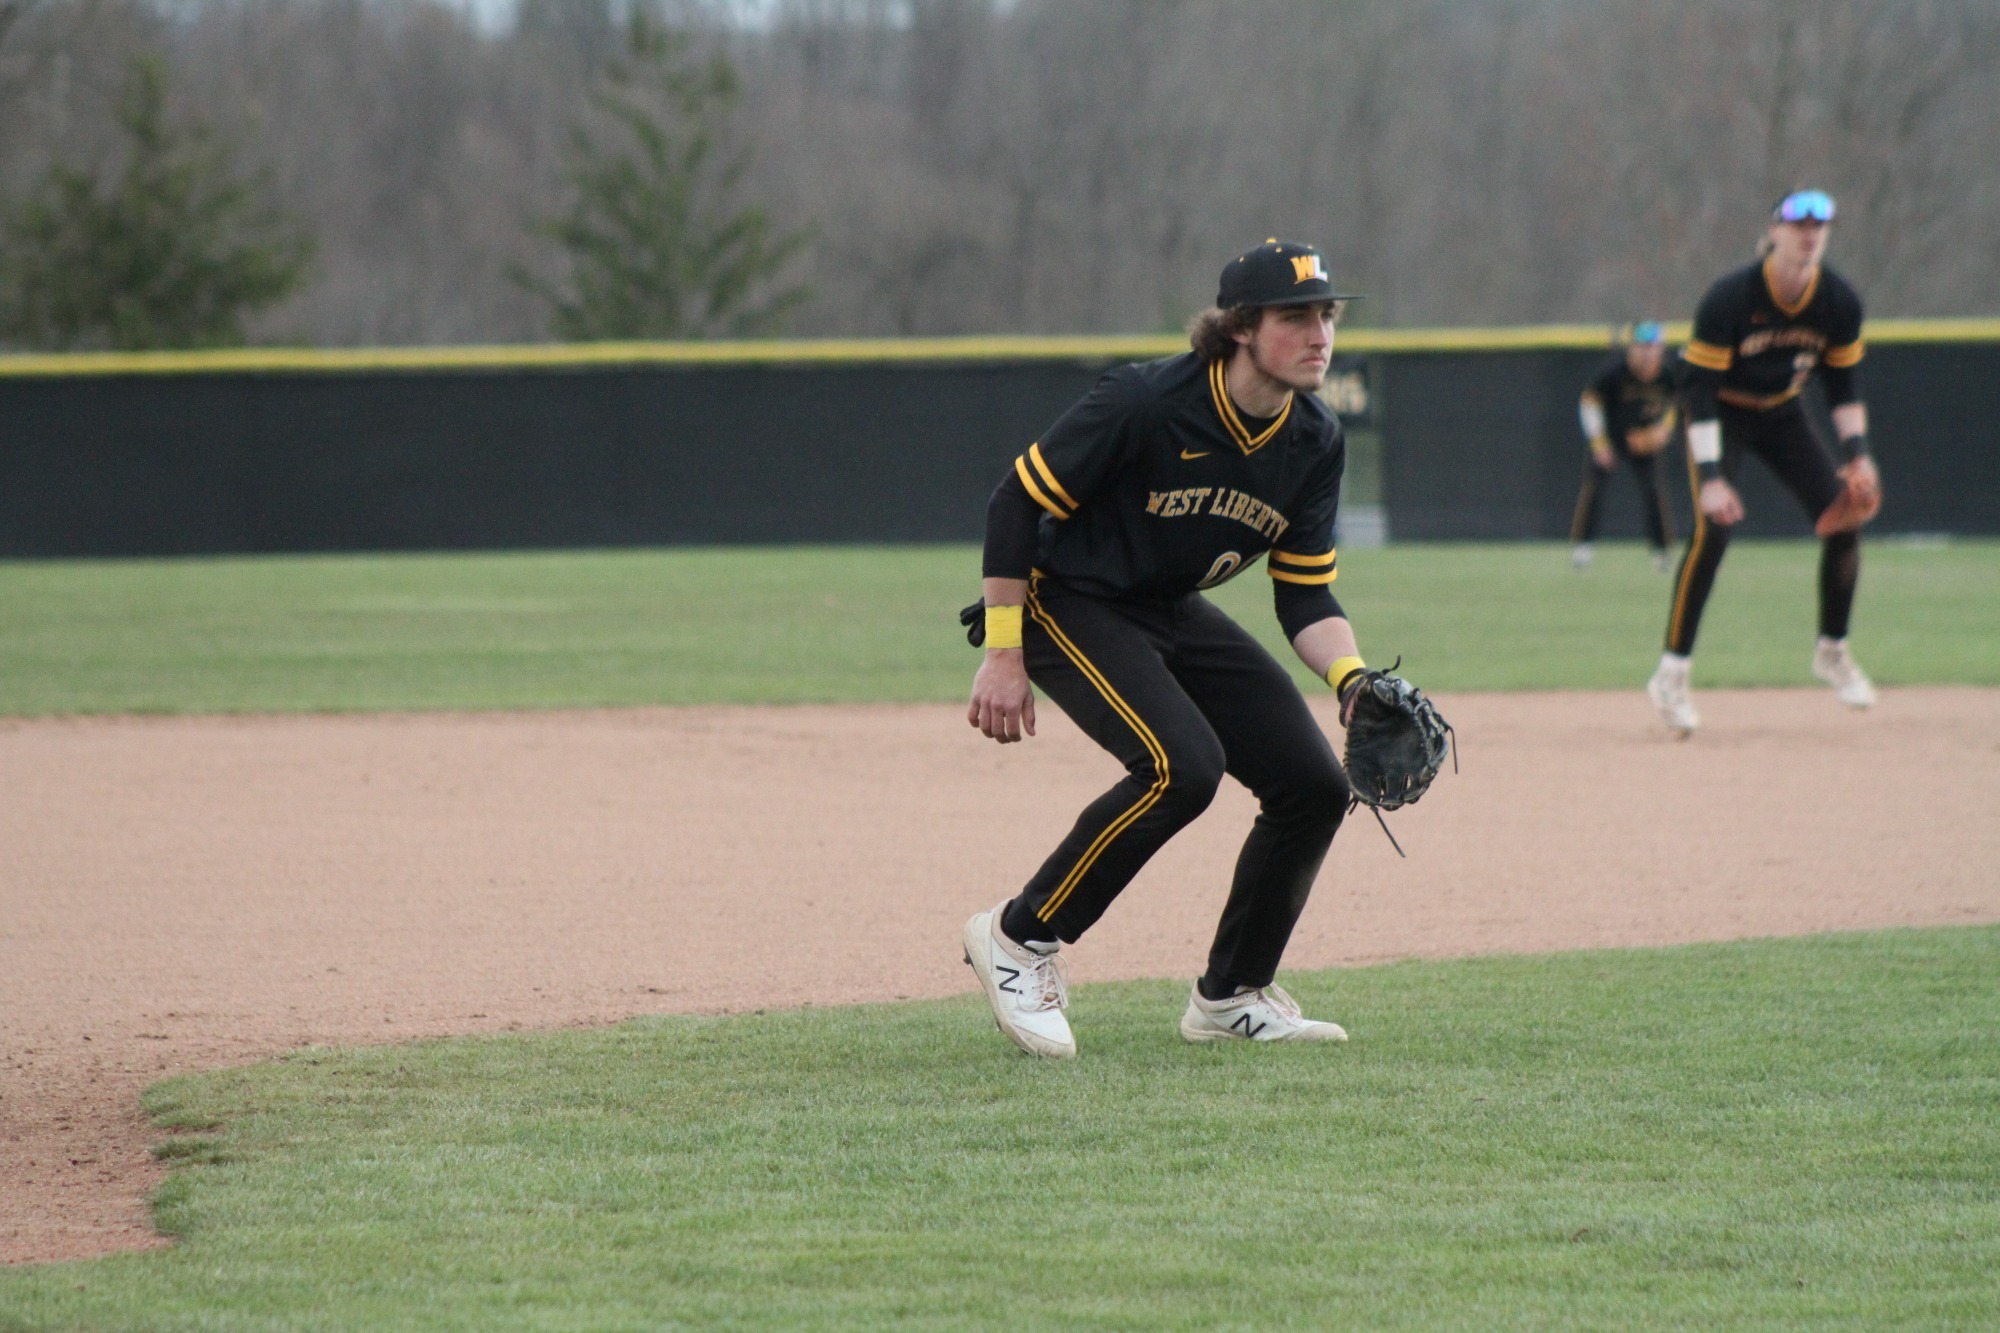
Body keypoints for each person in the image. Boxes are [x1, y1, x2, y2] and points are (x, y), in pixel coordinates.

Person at [961, 239, 1370, 1060]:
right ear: (1241, 328)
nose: (1320, 333)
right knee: (1183, 766)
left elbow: (1306, 593)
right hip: (1063, 596)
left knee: (1316, 785)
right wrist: (1004, 652)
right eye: (1297, 316)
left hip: (1165, 606)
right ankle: (1019, 937)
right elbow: (1015, 500)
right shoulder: (1146, 401)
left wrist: (1352, 679)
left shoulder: (1313, 440)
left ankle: (1232, 995)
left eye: (1327, 314)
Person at [1647, 189, 1881, 736]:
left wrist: (1860, 457)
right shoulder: (1731, 297)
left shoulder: (1838, 301)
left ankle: (1832, 650)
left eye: (1818, 226)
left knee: (1846, 516)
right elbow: (1698, 391)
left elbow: (1843, 386)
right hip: (1720, 412)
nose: (1809, 234)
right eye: (1798, 224)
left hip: (1781, 412)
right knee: (1715, 531)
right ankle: (1671, 674)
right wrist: (1709, 479)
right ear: (1774, 232)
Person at [1569, 321, 1680, 572]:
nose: (1647, 352)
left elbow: (1678, 403)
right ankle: (1582, 549)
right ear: (1631, 349)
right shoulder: (1614, 373)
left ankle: (1662, 552)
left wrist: (1663, 430)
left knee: (1653, 491)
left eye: (1652, 347)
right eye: (1641, 346)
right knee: (1594, 490)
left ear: (1660, 349)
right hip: (1611, 439)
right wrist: (1599, 443)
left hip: (1644, 440)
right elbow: (1589, 403)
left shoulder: (1667, 375)